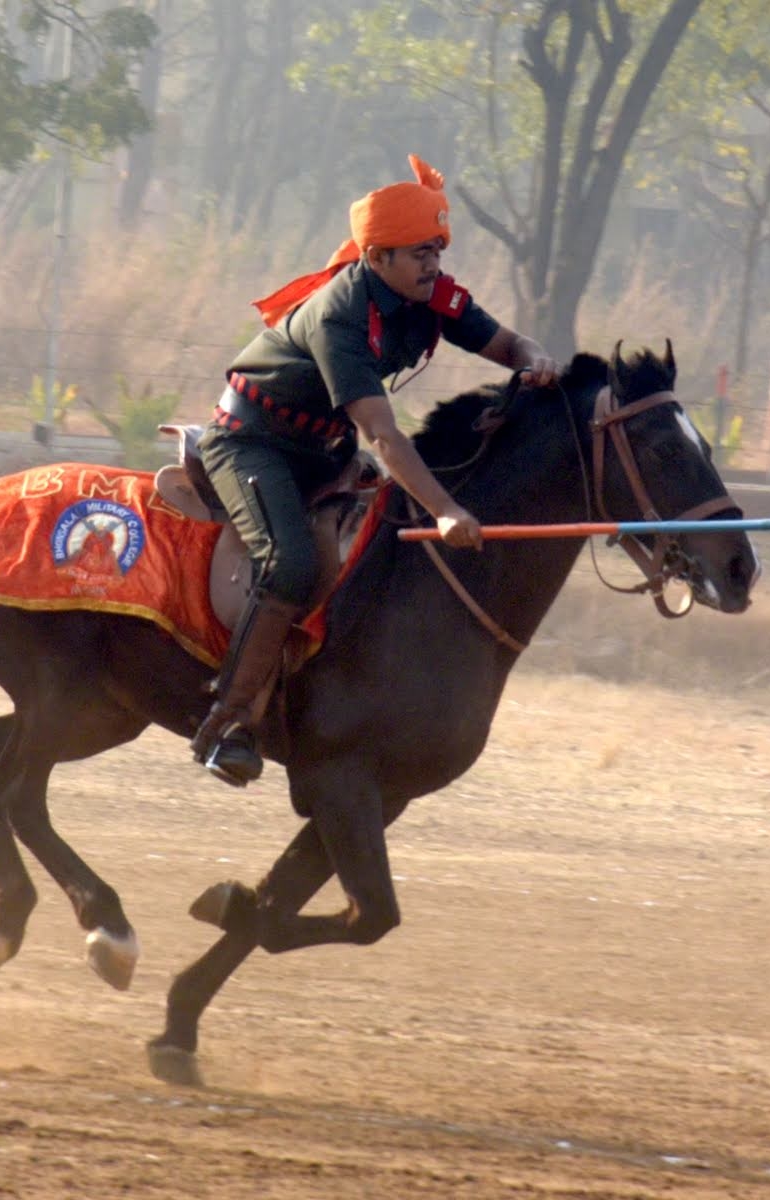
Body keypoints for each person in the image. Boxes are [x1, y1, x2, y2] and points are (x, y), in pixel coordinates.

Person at [189, 153, 559, 787]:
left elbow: (505, 345)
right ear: (377, 257)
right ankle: (231, 724)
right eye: (419, 252)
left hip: (323, 451)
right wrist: (445, 508)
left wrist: (533, 357)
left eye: (438, 249)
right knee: (292, 563)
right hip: (253, 444)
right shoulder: (339, 316)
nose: (434, 264)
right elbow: (384, 436)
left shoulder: (433, 294)